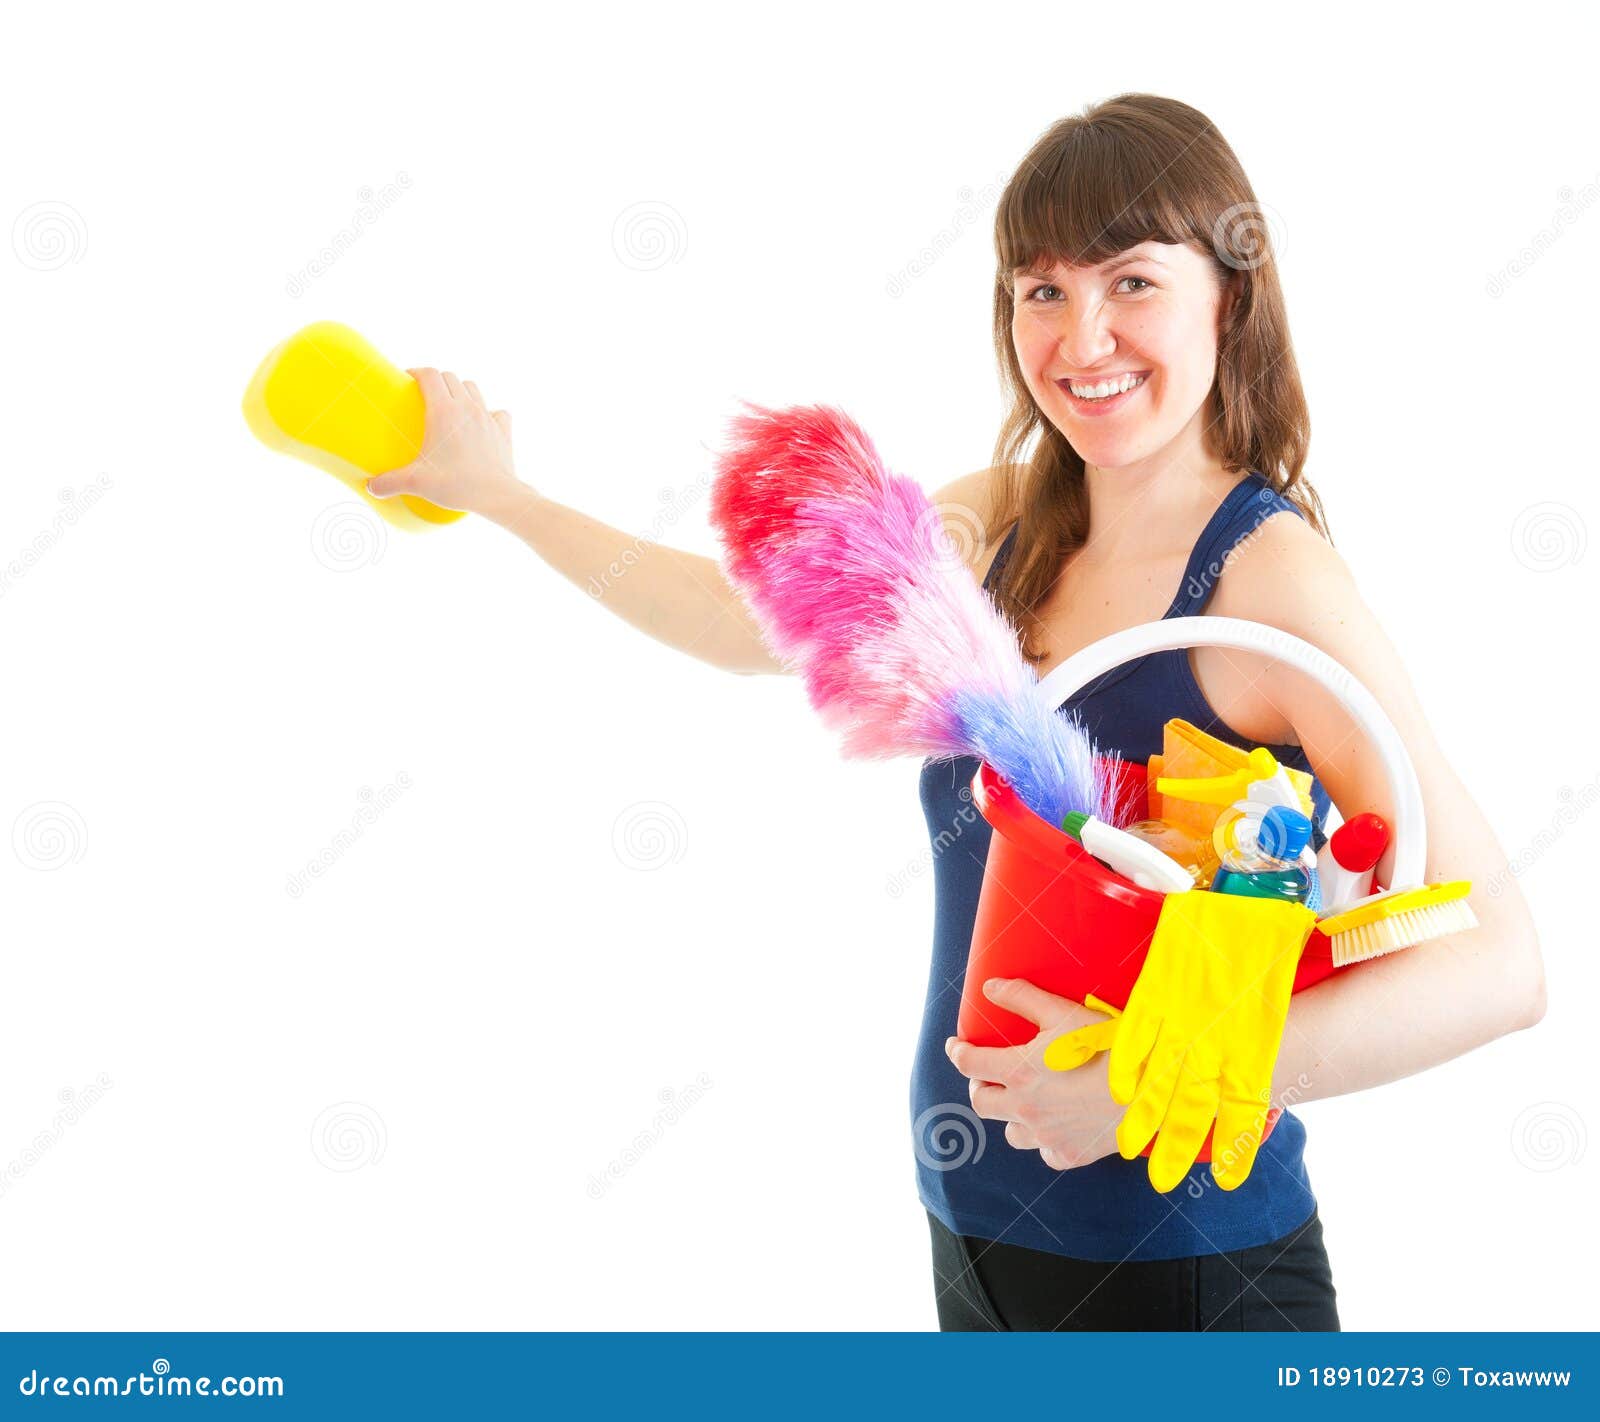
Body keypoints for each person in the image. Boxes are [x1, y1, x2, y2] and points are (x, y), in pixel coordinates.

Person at [365, 92, 1546, 1332]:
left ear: (1229, 297)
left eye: (1131, 282)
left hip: (1187, 1274)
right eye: (1041, 290)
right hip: (976, 1244)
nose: (1082, 338)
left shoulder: (1271, 584)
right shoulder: (1003, 519)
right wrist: (504, 497)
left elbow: (1498, 968)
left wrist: (1147, 1078)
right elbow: (736, 619)